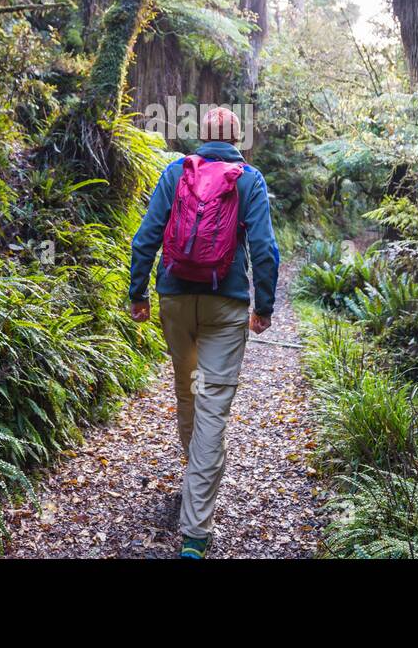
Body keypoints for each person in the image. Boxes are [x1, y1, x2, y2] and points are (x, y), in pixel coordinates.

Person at [128, 106, 280, 559]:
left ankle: (195, 476)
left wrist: (138, 292)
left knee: (188, 391)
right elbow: (264, 247)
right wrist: (263, 306)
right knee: (213, 405)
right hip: (225, 302)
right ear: (238, 139)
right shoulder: (248, 178)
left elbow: (147, 236)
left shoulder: (177, 171)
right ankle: (195, 531)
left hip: (174, 299)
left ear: (200, 136)